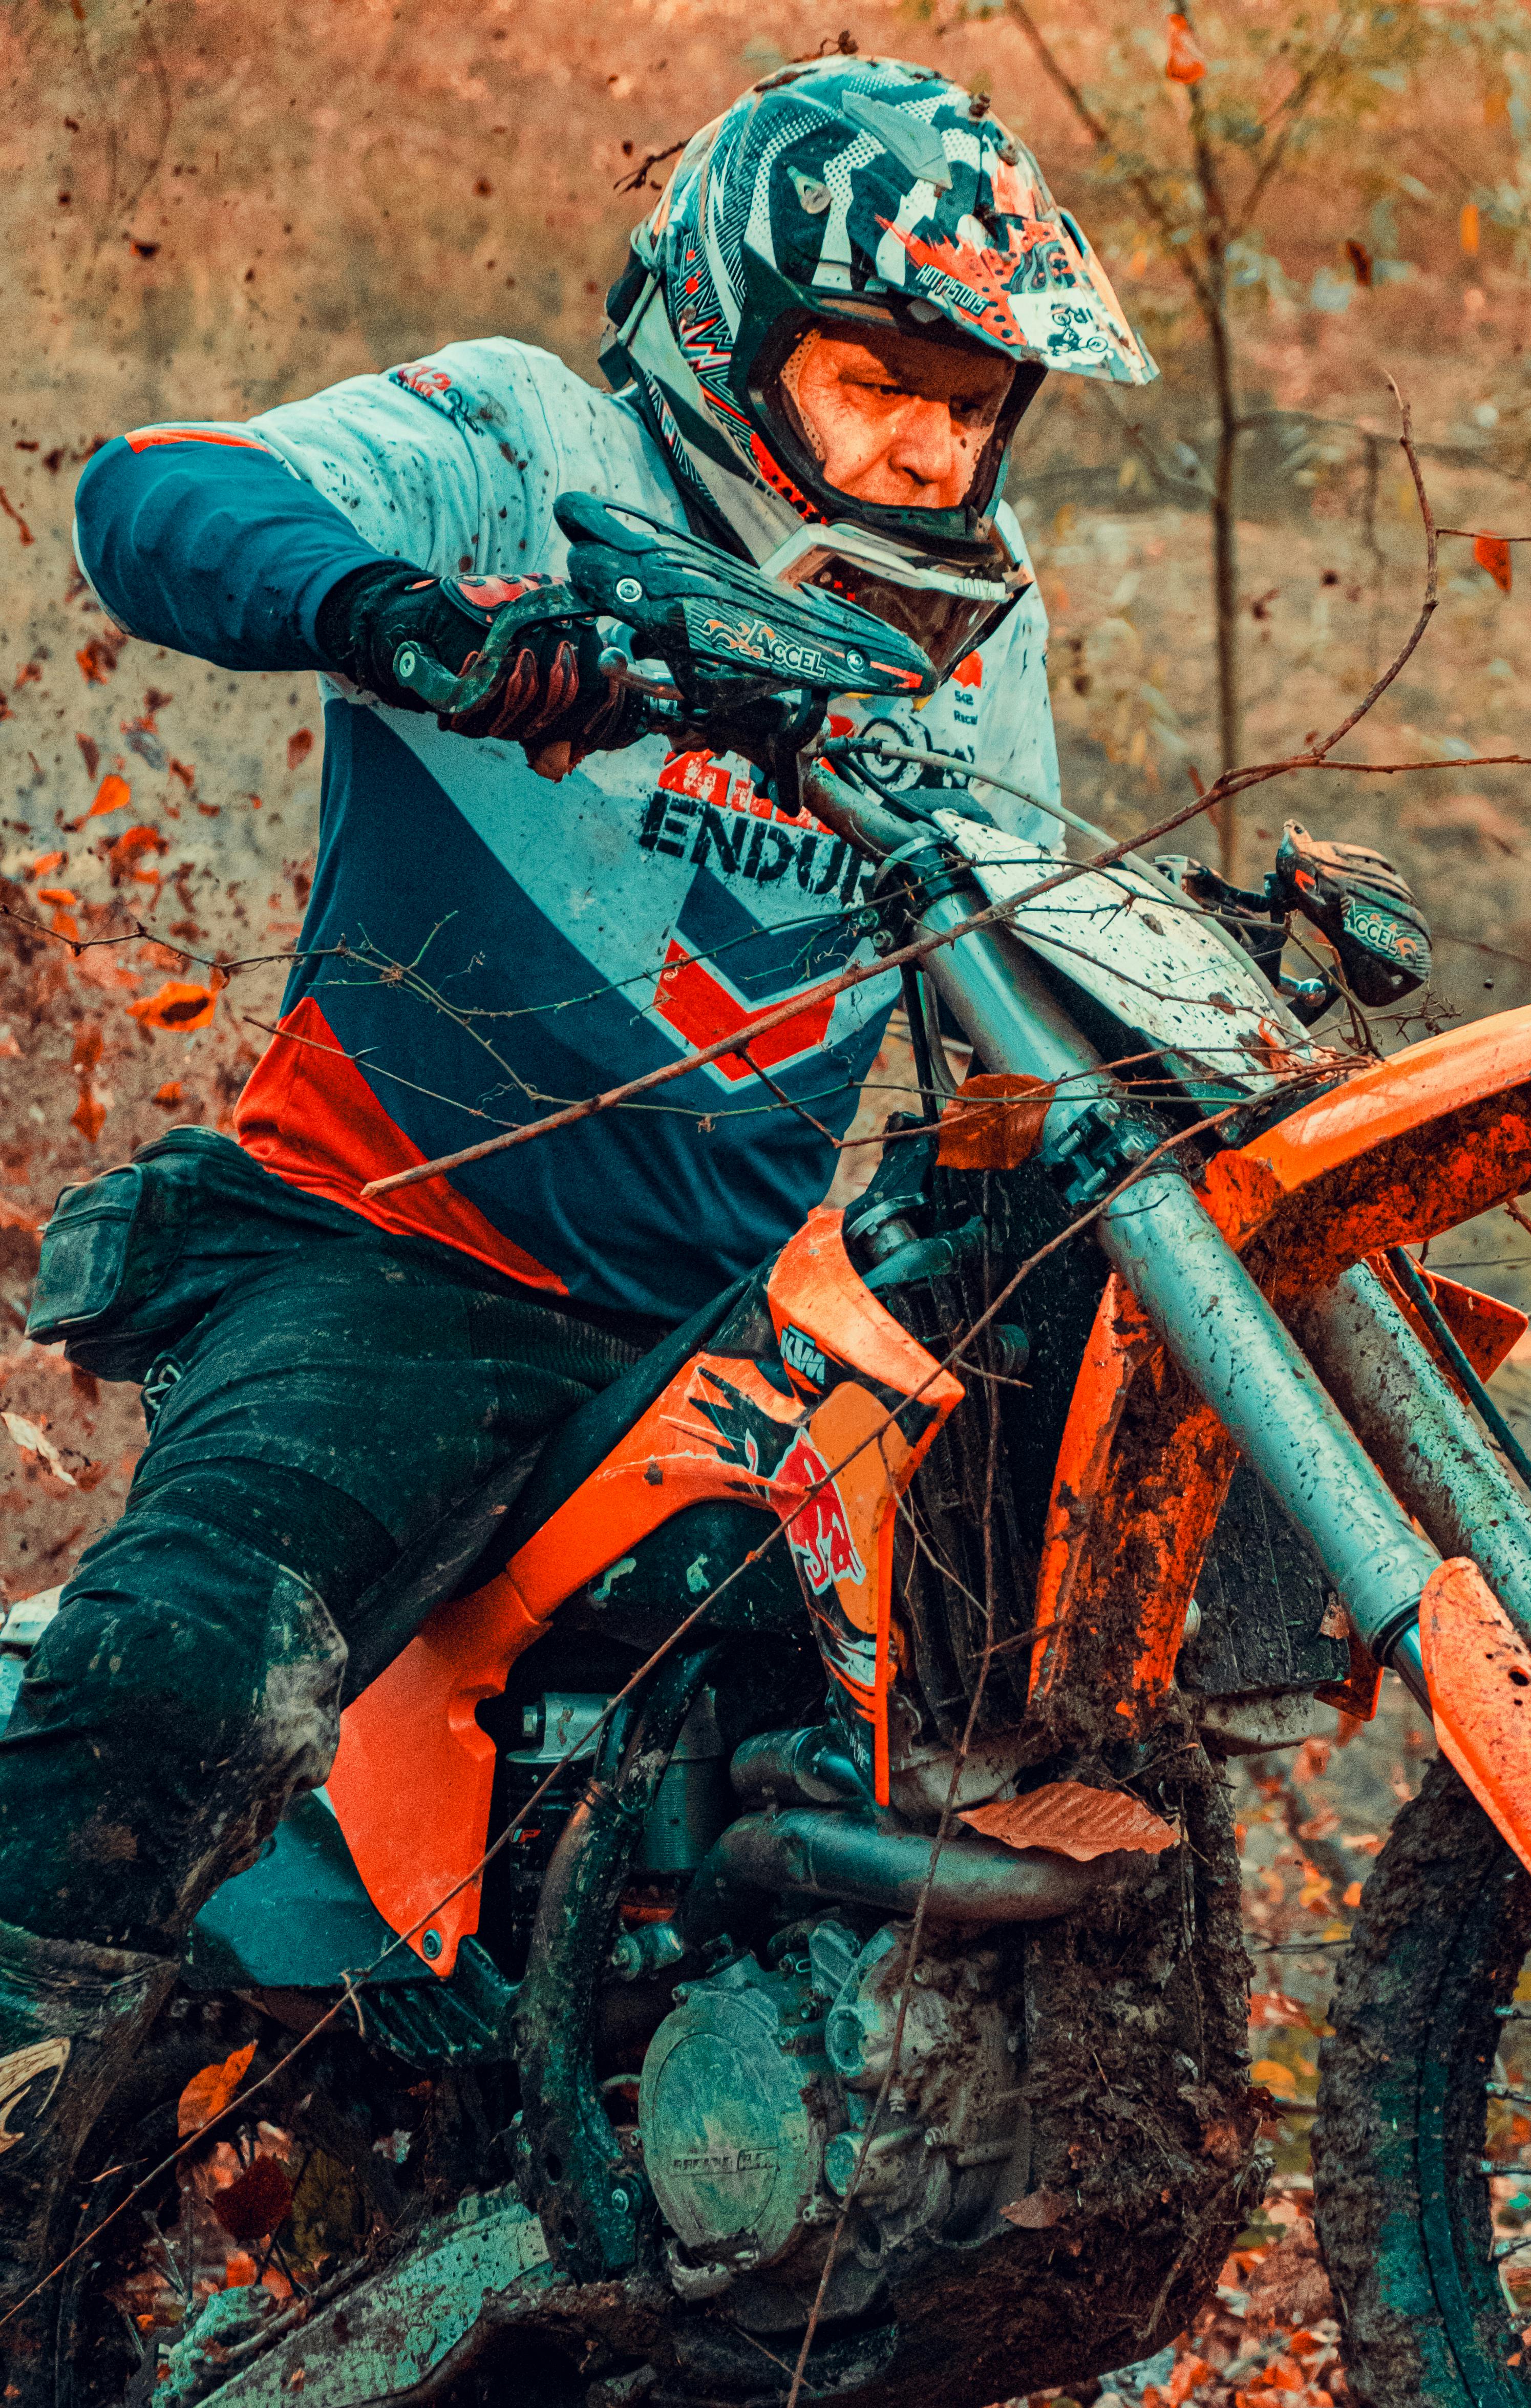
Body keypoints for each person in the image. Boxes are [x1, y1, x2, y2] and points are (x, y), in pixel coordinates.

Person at [0, 53, 1431, 2170]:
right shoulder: (526, 445)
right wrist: (418, 622)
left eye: (971, 400)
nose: (931, 440)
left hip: (736, 1345)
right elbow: (151, 490)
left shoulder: (966, 628)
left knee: (768, 1845)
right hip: (394, 1241)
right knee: (203, 1650)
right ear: (723, 333)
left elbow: (1007, 917)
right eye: (879, 379)